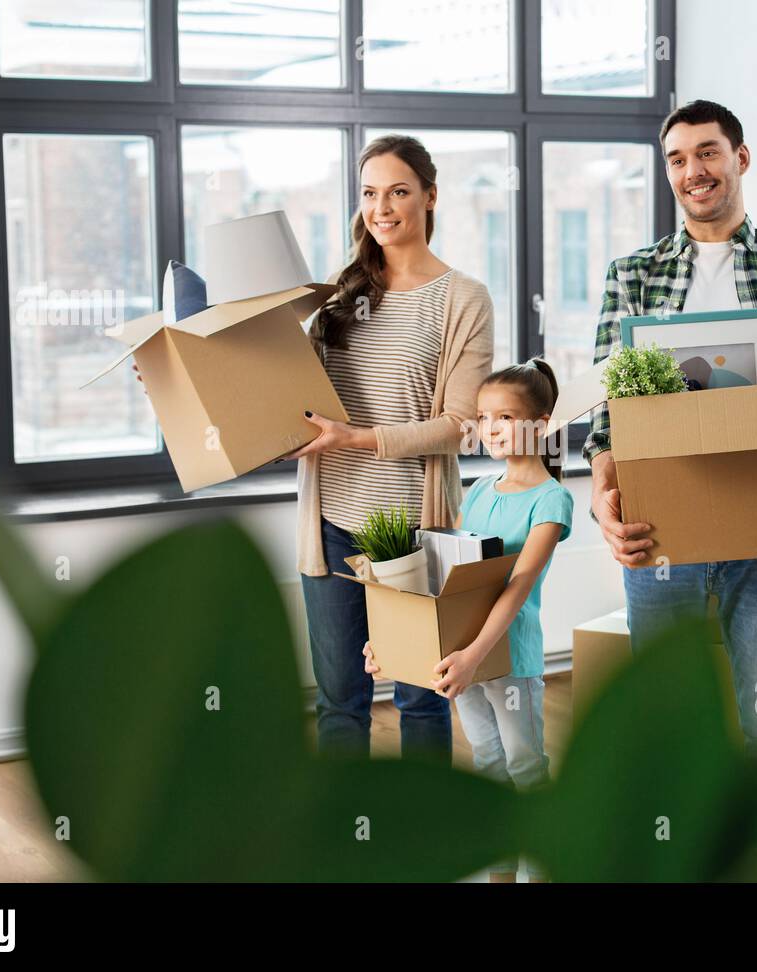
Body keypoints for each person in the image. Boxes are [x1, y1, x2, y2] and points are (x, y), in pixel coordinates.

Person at [583, 100, 757, 755]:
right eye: (677, 158)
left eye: (707, 152)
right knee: (667, 721)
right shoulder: (633, 275)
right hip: (658, 524)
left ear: (740, 159)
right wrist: (601, 497)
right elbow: (605, 407)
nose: (693, 170)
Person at [280, 134, 495, 761]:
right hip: (332, 523)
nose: (383, 207)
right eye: (371, 193)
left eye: (399, 191)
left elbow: (461, 423)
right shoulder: (338, 298)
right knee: (339, 698)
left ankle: (420, 837)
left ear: (430, 197)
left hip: (412, 529)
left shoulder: (463, 299)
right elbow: (289, 399)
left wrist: (359, 438)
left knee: (420, 695)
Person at [364, 359, 573, 882]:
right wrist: (394, 644)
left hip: (506, 658)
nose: (491, 429)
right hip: (463, 657)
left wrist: (473, 654)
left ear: (540, 423)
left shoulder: (552, 500)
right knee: (487, 762)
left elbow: (517, 585)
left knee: (525, 767)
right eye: (484, 418)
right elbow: (443, 577)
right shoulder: (478, 493)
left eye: (505, 416)